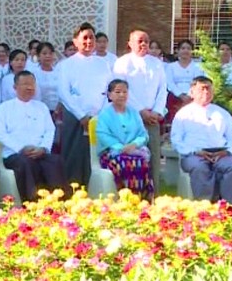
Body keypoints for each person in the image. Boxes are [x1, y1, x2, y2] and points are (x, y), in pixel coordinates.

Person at [0, 71, 67, 202]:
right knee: (25, 163)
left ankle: (58, 202)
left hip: (40, 152)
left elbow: (50, 130)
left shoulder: (41, 107)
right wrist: (21, 148)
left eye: (32, 84)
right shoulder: (4, 108)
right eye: (25, 84)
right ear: (15, 87)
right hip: (15, 154)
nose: (29, 88)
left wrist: (43, 148)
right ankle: (31, 202)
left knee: (56, 161)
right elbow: (0, 133)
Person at [171, 76, 232, 206]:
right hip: (193, 155)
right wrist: (195, 151)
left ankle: (230, 207)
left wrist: (227, 152)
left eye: (208, 89)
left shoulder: (221, 113)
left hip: (220, 154)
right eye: (202, 89)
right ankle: (204, 207)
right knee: (200, 168)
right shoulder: (183, 114)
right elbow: (176, 139)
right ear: (192, 93)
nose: (206, 92)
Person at [58, 22, 113, 185]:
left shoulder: (103, 64)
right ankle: (73, 190)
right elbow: (64, 93)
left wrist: (100, 114)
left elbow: (109, 91)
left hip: (99, 116)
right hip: (75, 116)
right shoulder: (66, 65)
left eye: (92, 38)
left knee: (96, 155)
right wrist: (81, 116)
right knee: (74, 154)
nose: (89, 42)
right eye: (85, 38)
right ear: (75, 41)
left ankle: (96, 188)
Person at [113, 29, 167, 187]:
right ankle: (132, 193)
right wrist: (140, 111)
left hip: (152, 118)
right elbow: (121, 91)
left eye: (146, 41)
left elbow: (162, 88)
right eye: (139, 41)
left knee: (154, 157)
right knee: (132, 157)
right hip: (130, 116)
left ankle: (154, 195)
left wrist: (156, 112)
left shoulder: (156, 63)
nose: (143, 44)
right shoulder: (122, 63)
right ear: (130, 43)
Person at [95, 79, 154, 198]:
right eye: (117, 92)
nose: (122, 95)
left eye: (124, 92)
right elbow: (103, 135)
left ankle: (142, 198)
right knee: (125, 163)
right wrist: (120, 148)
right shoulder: (104, 114)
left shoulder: (134, 113)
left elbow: (143, 134)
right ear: (110, 95)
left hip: (134, 150)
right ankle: (125, 198)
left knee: (141, 163)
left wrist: (134, 145)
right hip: (111, 153)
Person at [166, 40, 204, 126]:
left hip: (193, 97)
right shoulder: (171, 66)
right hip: (175, 97)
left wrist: (189, 95)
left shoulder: (198, 66)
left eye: (188, 48)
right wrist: (181, 95)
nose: (185, 51)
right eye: (183, 48)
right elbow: (169, 82)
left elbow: (198, 81)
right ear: (177, 51)